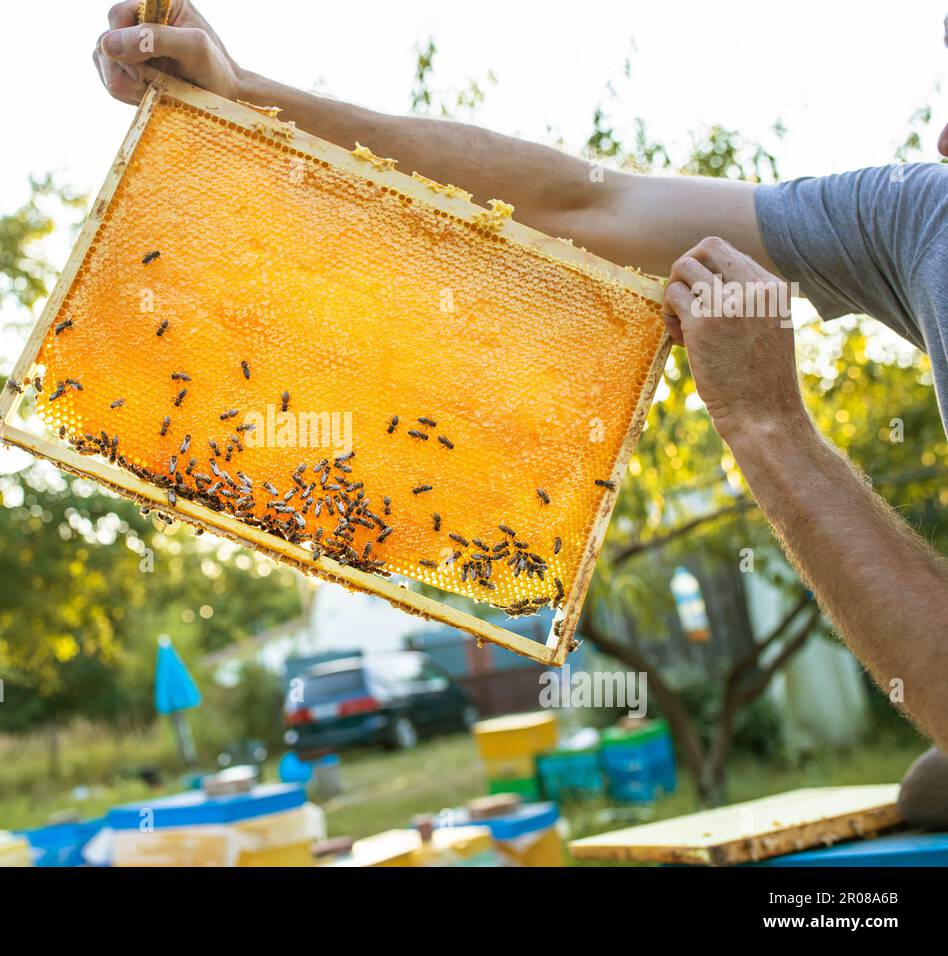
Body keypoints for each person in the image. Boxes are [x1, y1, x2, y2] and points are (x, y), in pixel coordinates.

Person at [93, 2, 948, 824]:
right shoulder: (922, 216)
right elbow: (586, 206)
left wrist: (769, 427)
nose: (944, 138)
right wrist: (246, 95)